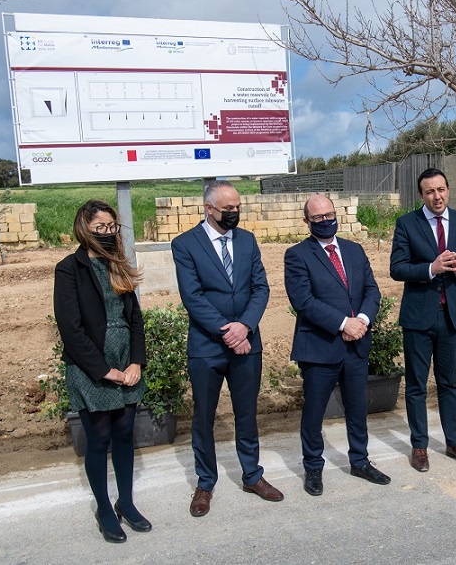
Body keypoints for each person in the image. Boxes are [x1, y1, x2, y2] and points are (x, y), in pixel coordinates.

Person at [171, 181, 283, 518]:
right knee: (204, 416)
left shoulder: (247, 240)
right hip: (207, 346)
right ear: (209, 209)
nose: (235, 213)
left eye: (237, 208)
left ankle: (252, 475)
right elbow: (193, 297)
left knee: (246, 413)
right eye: (228, 209)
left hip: (247, 342)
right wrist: (229, 332)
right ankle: (205, 482)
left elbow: (261, 288)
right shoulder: (185, 244)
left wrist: (244, 326)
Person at [53, 200, 151, 543]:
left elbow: (135, 319)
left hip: (125, 362)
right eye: (101, 228)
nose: (108, 233)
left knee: (124, 433)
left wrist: (136, 361)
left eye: (112, 227)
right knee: (100, 438)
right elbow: (71, 328)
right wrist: (104, 370)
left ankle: (126, 502)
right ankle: (104, 509)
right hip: (90, 366)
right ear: (85, 229)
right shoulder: (69, 269)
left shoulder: (118, 265)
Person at [285, 194, 391, 496]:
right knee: (314, 412)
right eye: (318, 218)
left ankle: (360, 461)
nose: (326, 221)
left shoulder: (354, 250)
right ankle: (313, 467)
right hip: (320, 347)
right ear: (306, 221)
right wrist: (344, 323)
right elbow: (303, 301)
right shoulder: (297, 255)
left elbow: (371, 290)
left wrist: (362, 321)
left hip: (356, 345)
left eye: (329, 215)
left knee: (357, 409)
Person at [390, 168, 456, 472]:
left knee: (449, 383)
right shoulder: (407, 223)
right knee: (416, 385)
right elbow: (397, 268)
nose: (437, 196)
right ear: (421, 195)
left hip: (452, 317)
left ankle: (455, 442)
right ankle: (419, 446)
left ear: (448, 190)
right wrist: (431, 268)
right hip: (418, 318)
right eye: (430, 191)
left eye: (441, 189)